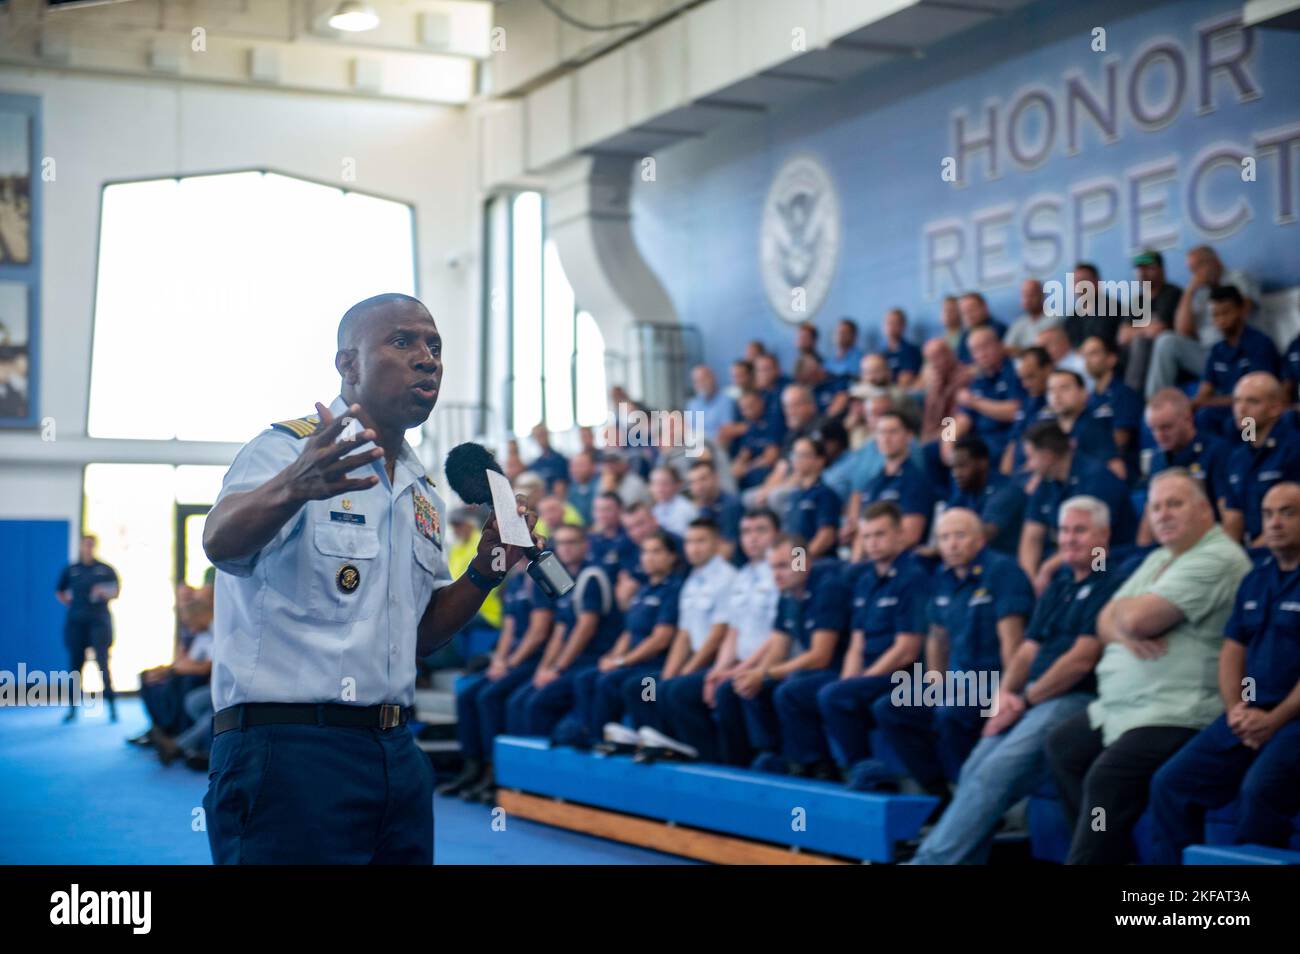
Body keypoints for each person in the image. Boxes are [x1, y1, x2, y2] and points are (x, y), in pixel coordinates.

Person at [200, 292, 540, 865]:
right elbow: (219, 542)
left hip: (395, 754)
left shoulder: (422, 492)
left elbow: (422, 634)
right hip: (288, 752)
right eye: (402, 341)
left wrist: (486, 569)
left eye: (434, 346)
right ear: (348, 364)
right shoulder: (288, 449)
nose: (427, 358)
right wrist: (294, 485)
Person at [1044, 469, 1251, 865]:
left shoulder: (1218, 556)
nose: (1163, 514)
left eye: (1175, 504)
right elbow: (1105, 620)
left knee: (1107, 778)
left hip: (1181, 709)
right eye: (1155, 506)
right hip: (1127, 708)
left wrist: (1127, 618)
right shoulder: (1159, 557)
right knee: (1063, 746)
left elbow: (1139, 620)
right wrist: (1126, 620)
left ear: (1205, 510)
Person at [910, 496, 1128, 865]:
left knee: (993, 772)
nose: (1070, 539)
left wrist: (1024, 700)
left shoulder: (1113, 580)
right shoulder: (1060, 584)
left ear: (1103, 535)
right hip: (1032, 696)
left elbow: (1081, 660)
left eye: (1080, 530)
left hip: (1076, 700)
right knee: (973, 767)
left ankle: (929, 862)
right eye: (1064, 530)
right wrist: (1005, 696)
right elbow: (1027, 649)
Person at [1148, 482, 1300, 863]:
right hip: (1249, 714)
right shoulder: (1257, 576)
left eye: (1288, 512)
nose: (1275, 523)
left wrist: (1274, 719)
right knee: (1170, 783)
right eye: (1267, 514)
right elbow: (1233, 649)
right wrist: (1235, 709)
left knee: (1259, 791)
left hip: (1293, 719)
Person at [871, 508, 1034, 800]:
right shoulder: (941, 577)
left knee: (951, 713)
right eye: (945, 538)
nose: (952, 544)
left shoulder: (1002, 572)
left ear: (980, 539)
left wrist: (1011, 691)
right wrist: (935, 680)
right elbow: (937, 635)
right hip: (959, 682)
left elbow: (1013, 640)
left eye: (960, 536)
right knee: (891, 708)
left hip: (996, 679)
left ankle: (971, 798)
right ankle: (937, 794)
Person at [815, 503, 928, 778]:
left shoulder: (914, 578)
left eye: (880, 534)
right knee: (811, 691)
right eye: (866, 536)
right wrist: (850, 680)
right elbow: (857, 643)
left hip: (907, 676)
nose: (872, 543)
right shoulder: (865, 580)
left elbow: (907, 650)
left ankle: (865, 772)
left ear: (900, 535)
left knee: (837, 696)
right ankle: (824, 769)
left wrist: (860, 681)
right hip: (871, 675)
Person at [665, 509, 783, 764]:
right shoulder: (742, 576)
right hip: (738, 664)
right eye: (746, 532)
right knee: (664, 690)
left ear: (777, 534)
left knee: (721, 692)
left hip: (769, 664)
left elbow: (779, 635)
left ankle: (734, 764)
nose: (752, 538)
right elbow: (733, 632)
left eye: (760, 530)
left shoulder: (780, 573)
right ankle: (703, 758)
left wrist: (738, 670)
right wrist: (717, 671)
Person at [438, 563, 555, 803]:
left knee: (490, 697)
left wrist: (510, 663)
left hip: (534, 660)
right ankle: (473, 768)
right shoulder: (513, 583)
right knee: (467, 694)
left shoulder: (543, 579)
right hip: (512, 660)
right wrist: (498, 661)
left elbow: (539, 631)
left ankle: (496, 773)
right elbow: (508, 630)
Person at [736, 534, 849, 776]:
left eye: (783, 566)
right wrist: (755, 675)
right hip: (811, 671)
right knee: (745, 687)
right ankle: (767, 756)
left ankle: (816, 765)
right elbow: (779, 645)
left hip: (838, 670)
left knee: (789, 691)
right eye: (772, 567)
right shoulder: (787, 594)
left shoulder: (827, 587)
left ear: (802, 562)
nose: (776, 574)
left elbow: (821, 656)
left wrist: (765, 673)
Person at [626, 518, 737, 751]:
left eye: (701, 541)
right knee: (644, 687)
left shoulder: (727, 578)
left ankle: (702, 753)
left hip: (715, 662)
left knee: (674, 690)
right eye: (689, 542)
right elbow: (683, 634)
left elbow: (718, 634)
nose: (694, 548)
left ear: (717, 543)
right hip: (693, 661)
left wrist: (686, 670)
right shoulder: (693, 580)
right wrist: (669, 672)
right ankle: (659, 743)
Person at [564, 531, 683, 748]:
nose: (649, 557)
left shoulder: (674, 590)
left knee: (632, 685)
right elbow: (628, 633)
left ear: (672, 556)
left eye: (657, 551)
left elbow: (661, 640)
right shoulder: (643, 590)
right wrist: (612, 656)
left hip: (656, 666)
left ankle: (647, 739)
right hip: (632, 663)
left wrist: (622, 662)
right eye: (645, 552)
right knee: (586, 678)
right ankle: (593, 734)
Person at [506, 525, 622, 738]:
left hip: (590, 660)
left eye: (572, 542)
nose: (566, 548)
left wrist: (557, 669)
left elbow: (584, 628)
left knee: (536, 704)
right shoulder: (560, 578)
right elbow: (560, 630)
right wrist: (544, 669)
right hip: (569, 663)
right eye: (561, 543)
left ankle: (546, 764)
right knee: (517, 701)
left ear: (585, 545)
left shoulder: (592, 576)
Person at [1019, 421, 1135, 588]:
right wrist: (1029, 580)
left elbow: (1097, 542)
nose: (1028, 465)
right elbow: (1031, 536)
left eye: (1031, 457)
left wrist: (1047, 568)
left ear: (1047, 456)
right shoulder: (1046, 482)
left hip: (1106, 559)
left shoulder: (1097, 479)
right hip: (1068, 560)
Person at [1148, 245, 1261, 395]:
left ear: (1215, 261)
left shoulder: (1239, 278)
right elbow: (1182, 331)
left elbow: (1243, 312)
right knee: (1166, 340)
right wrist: (1190, 291)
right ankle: (1156, 403)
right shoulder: (1201, 293)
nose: (1198, 274)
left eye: (1200, 265)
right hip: (1207, 354)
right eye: (1193, 270)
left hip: (1237, 351)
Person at [1138, 388, 1230, 542]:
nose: (1159, 436)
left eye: (1166, 427)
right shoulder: (1157, 458)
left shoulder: (1217, 451)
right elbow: (1149, 513)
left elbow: (1229, 514)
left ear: (1188, 420)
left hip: (1207, 542)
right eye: (1153, 429)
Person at [1192, 285, 1281, 438]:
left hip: (1253, 411)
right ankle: (1211, 460)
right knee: (1202, 417)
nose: (1220, 320)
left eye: (1226, 312)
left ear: (1241, 310)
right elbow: (1203, 394)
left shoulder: (1260, 344)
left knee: (1239, 423)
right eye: (1215, 315)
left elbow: (1258, 396)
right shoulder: (1216, 350)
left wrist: (1211, 401)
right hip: (1226, 410)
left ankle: (1251, 456)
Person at [1222, 373, 1300, 546]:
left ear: (1275, 408)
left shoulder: (1294, 450)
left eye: (1252, 401)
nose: (1241, 409)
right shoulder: (1237, 457)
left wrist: (1250, 555)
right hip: (1250, 553)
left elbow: (1293, 519)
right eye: (1237, 401)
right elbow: (1233, 517)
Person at [55, 534, 120, 723]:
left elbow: (116, 591)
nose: (88, 548)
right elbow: (59, 590)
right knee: (75, 665)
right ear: (80, 546)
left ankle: (112, 707)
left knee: (103, 664)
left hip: (99, 622)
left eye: (91, 545)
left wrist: (104, 593)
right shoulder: (71, 570)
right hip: (76, 622)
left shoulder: (105, 570)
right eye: (85, 545)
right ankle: (72, 708)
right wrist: (70, 602)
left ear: (95, 547)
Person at [955, 325, 1024, 464]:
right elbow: (963, 417)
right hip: (978, 440)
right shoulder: (978, 378)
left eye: (985, 346)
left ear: (999, 345)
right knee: (932, 450)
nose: (981, 354)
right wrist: (947, 439)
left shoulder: (1015, 370)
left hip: (1004, 439)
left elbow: (1015, 411)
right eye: (975, 350)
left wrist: (975, 402)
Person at [947, 436, 1026, 556]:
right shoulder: (966, 491)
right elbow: (946, 522)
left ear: (982, 463)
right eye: (953, 468)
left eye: (962, 466)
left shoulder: (1006, 490)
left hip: (1006, 560)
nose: (956, 474)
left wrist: (941, 548)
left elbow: (986, 534)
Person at [1121, 249, 1184, 394]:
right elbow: (1122, 335)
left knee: (1140, 342)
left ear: (1161, 269)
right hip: (1140, 357)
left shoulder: (1172, 293)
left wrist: (1137, 331)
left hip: (1165, 356)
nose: (1142, 273)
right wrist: (1145, 330)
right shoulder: (1139, 300)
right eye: (1139, 269)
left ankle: (1132, 396)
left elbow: (1159, 330)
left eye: (1148, 267)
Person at [1081, 335, 1142, 483]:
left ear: (1111, 359)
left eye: (1094, 353)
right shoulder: (1089, 399)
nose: (1088, 359)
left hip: (1121, 466)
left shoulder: (1124, 393)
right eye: (1085, 355)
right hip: (1093, 465)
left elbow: (1120, 440)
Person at [1045, 368, 1124, 479]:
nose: (1056, 396)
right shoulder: (1047, 429)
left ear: (1083, 393)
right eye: (1051, 390)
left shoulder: (1094, 427)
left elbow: (1117, 471)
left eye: (1064, 388)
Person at [783, 436, 841, 560]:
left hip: (818, 564)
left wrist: (800, 562)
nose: (797, 460)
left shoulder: (825, 494)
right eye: (794, 455)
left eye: (803, 455)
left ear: (819, 460)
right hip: (795, 564)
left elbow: (826, 536)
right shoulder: (793, 495)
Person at [686, 459, 743, 562]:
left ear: (716, 478)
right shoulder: (703, 507)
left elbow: (727, 550)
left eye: (703, 479)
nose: (698, 486)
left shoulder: (730, 504)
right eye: (693, 482)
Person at [1002, 279, 1062, 355]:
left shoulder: (1053, 319)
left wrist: (1020, 351)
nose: (1028, 300)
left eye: (1031, 295)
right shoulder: (1019, 323)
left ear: (1042, 295)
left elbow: (1042, 350)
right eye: (1025, 296)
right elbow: (1007, 348)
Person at [686, 364, 737, 443]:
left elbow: (726, 432)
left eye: (703, 379)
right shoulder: (692, 404)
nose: (701, 384)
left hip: (715, 449)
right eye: (697, 381)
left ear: (714, 378)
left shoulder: (726, 401)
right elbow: (688, 431)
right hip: (694, 448)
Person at [955, 292, 1006, 364]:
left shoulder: (997, 329)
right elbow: (959, 360)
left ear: (985, 307)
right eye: (964, 312)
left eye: (971, 309)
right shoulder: (965, 334)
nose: (969, 315)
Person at [649, 464, 698, 537]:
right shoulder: (655, 510)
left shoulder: (686, 509)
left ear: (677, 485)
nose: (659, 489)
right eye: (656, 483)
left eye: (664, 483)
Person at [881, 308, 921, 388]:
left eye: (895, 323)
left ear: (903, 326)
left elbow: (906, 380)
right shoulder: (881, 353)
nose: (891, 327)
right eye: (888, 323)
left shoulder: (911, 351)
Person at [527, 423, 569, 494]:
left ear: (548, 434)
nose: (541, 438)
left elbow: (560, 488)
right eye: (538, 436)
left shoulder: (560, 460)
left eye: (543, 434)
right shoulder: (533, 465)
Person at [825, 317, 864, 381]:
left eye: (843, 332)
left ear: (854, 336)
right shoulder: (829, 360)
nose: (839, 335)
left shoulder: (861, 359)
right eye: (837, 332)